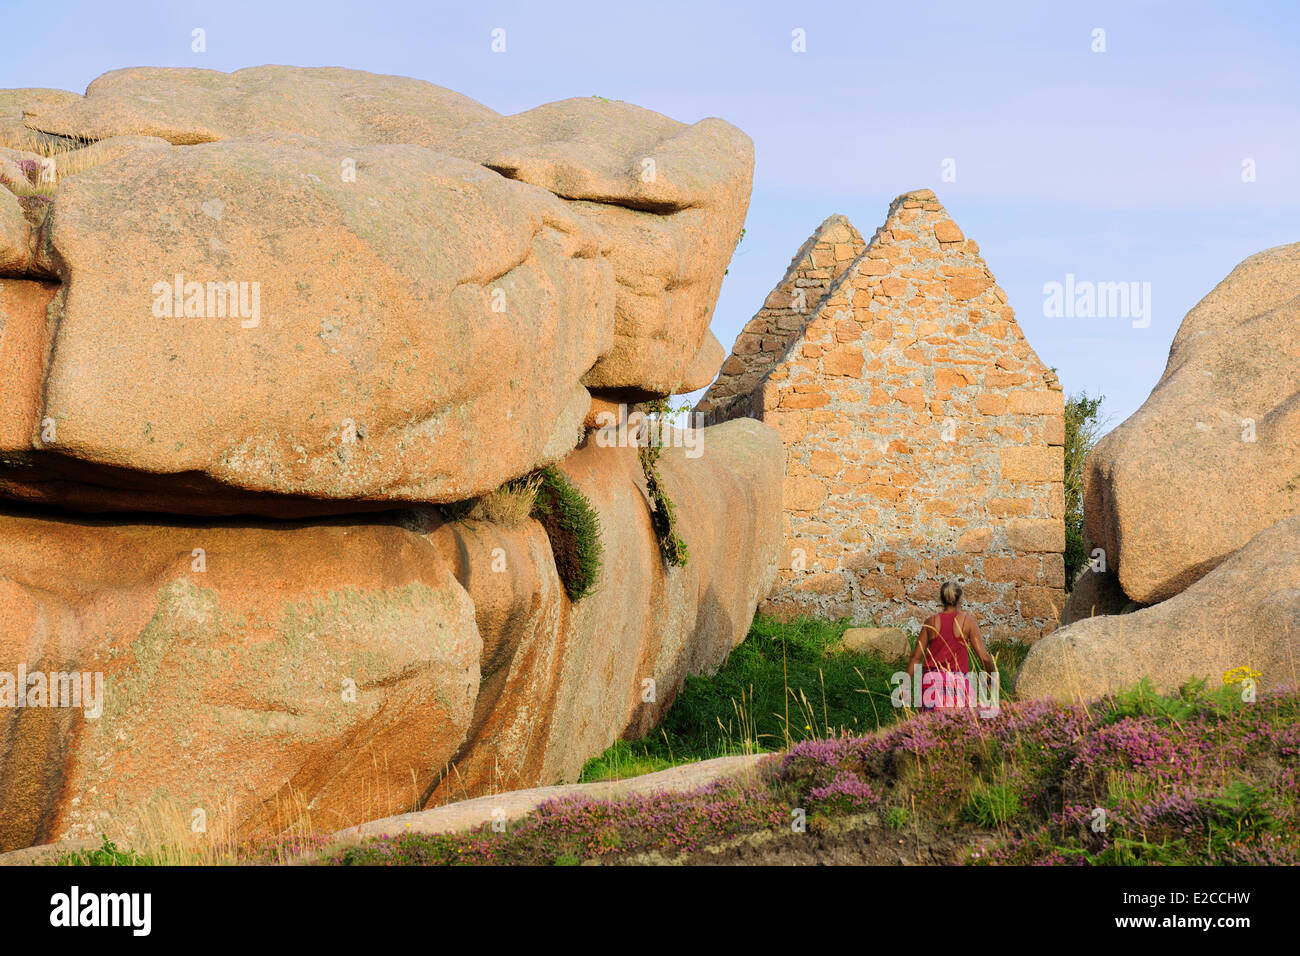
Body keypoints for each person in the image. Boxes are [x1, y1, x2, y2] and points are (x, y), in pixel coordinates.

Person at [905, 581, 996, 710]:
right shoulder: (967, 622)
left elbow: (915, 657)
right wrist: (991, 677)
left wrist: (905, 684)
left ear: (941, 599)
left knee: (930, 726)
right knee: (959, 725)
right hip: (956, 681)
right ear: (960, 600)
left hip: (930, 680)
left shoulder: (930, 622)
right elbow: (984, 657)